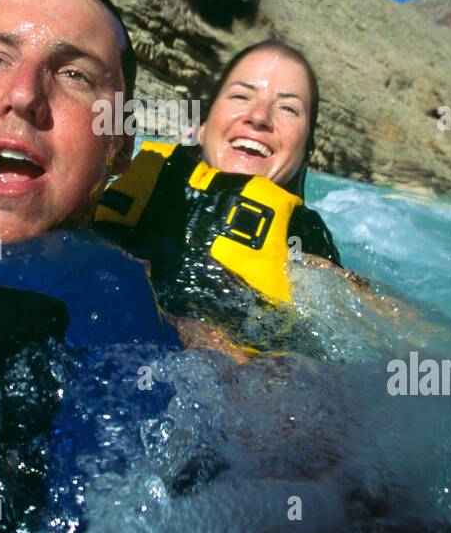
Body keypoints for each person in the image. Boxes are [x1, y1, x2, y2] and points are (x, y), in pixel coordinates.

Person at [93, 39, 421, 354]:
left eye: (289, 108)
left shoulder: (302, 244)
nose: (260, 117)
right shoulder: (116, 180)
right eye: (240, 96)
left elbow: (403, 332)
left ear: (307, 151)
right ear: (203, 125)